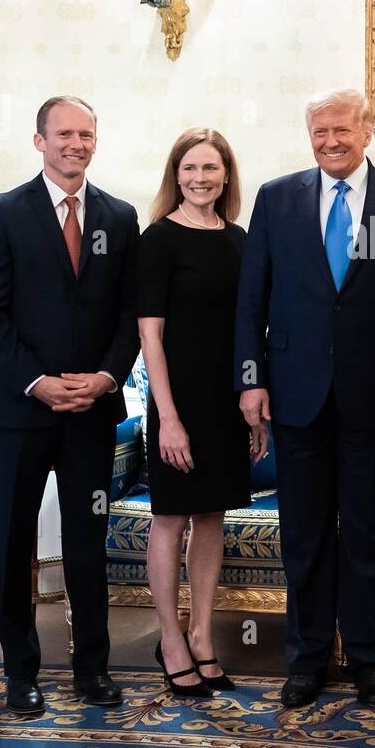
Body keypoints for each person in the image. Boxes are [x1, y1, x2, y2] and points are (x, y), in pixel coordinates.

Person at [234, 88, 375, 708]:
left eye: (341, 130)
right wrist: (251, 380)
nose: (329, 142)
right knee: (305, 535)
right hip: (296, 398)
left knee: (371, 533)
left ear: (367, 129)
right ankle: (308, 659)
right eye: (318, 132)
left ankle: (372, 660)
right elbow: (252, 299)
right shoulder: (277, 199)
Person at [0, 96, 140, 715]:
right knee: (12, 541)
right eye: (65, 133)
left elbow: (129, 314)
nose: (77, 143)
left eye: (87, 134)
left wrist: (105, 376)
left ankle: (92, 670)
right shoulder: (3, 212)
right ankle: (20, 673)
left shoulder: (120, 219)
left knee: (87, 541)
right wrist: (37, 381)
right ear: (39, 140)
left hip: (91, 412)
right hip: (22, 411)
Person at [138, 128, 263, 699]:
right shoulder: (158, 239)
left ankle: (203, 637)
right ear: (176, 175)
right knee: (171, 518)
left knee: (212, 517)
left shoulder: (240, 240)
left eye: (211, 168)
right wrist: (167, 417)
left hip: (228, 403)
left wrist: (255, 409)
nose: (200, 178)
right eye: (190, 168)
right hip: (177, 402)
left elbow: (252, 331)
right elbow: (150, 337)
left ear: (227, 176)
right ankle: (169, 640)